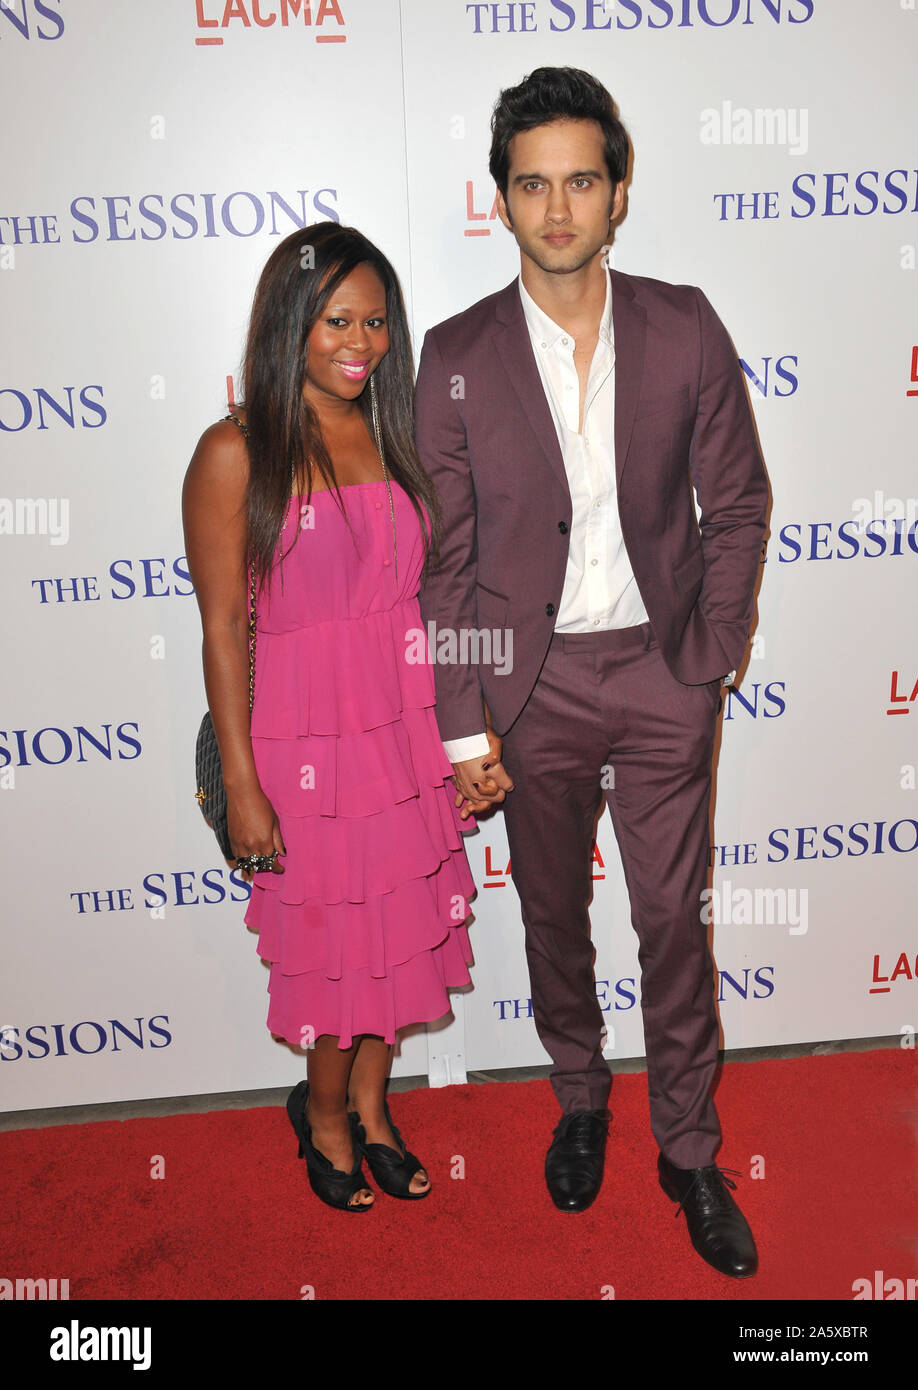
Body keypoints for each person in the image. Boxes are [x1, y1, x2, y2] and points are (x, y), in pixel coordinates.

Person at [415, 68, 769, 1276]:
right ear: (500, 200)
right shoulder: (454, 354)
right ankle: (580, 1098)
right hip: (532, 688)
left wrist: (712, 654)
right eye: (533, 184)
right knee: (553, 916)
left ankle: (688, 1148)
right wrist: (465, 727)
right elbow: (446, 565)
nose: (557, 207)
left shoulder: (686, 323)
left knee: (673, 923)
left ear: (618, 193)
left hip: (663, 673)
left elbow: (740, 500)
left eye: (580, 181)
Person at [183, 223, 479, 1212]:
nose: (362, 342)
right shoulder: (235, 453)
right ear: (290, 325)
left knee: (396, 933)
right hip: (300, 746)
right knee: (333, 952)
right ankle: (318, 1116)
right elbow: (225, 627)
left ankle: (374, 1105)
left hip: (398, 732)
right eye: (337, 319)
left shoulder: (396, 432)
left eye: (378, 321)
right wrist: (240, 780)